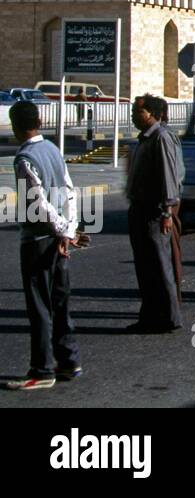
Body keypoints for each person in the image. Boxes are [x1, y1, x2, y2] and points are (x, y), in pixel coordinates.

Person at [6, 101, 88, 390]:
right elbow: (68, 191)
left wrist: (62, 230)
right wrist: (69, 230)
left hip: (38, 241)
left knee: (40, 305)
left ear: (15, 125)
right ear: (39, 121)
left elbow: (38, 204)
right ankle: (69, 361)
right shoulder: (52, 150)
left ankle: (42, 370)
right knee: (60, 301)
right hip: (59, 241)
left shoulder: (24, 158)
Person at [125, 94, 184, 332]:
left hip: (155, 210)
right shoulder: (145, 139)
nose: (133, 116)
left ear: (153, 114)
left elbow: (169, 176)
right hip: (140, 208)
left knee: (160, 266)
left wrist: (168, 212)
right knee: (146, 266)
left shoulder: (161, 138)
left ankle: (168, 318)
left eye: (138, 112)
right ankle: (150, 315)